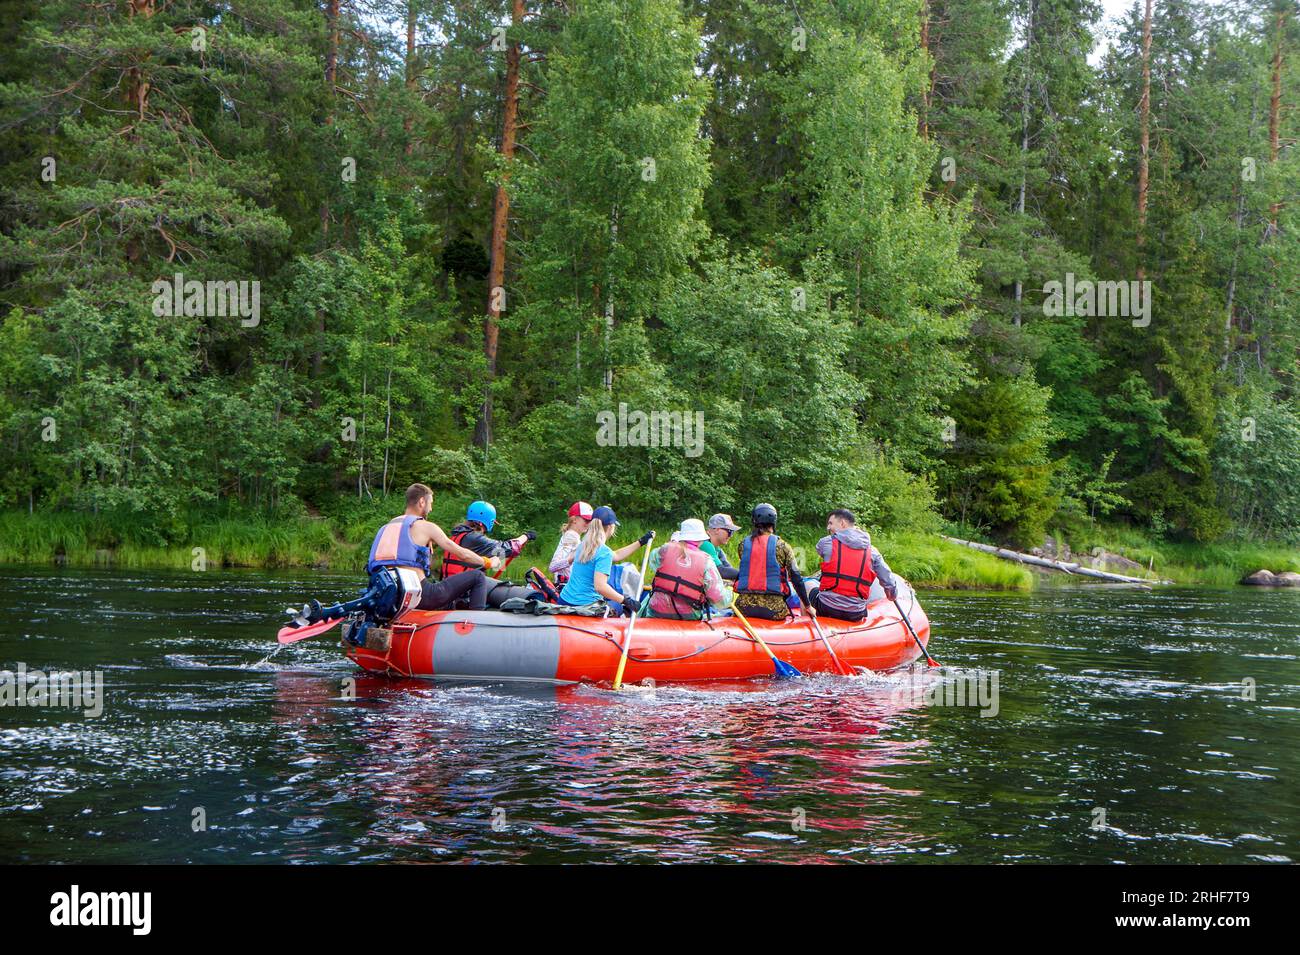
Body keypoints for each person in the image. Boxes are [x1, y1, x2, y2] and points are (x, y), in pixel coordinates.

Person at [367, 484, 499, 611]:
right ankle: (475, 624)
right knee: (477, 577)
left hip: (386, 594)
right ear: (422, 502)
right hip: (420, 596)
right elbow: (463, 554)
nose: (430, 509)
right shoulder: (427, 527)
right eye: (430, 503)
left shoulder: (386, 527)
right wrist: (488, 562)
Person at [556, 506, 653, 614]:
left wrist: (641, 542)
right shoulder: (603, 552)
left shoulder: (584, 544)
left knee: (613, 600)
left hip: (564, 600)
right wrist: (626, 600)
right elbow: (600, 587)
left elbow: (616, 555)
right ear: (611, 527)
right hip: (584, 606)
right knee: (619, 607)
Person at [441, 500, 537, 607]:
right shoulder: (474, 538)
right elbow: (508, 547)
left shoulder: (457, 535)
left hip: (450, 592)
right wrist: (526, 536)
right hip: (462, 595)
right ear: (485, 521)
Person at [809, 508, 898, 622]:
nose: (828, 527)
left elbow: (820, 549)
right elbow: (889, 581)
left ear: (842, 523)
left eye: (831, 523)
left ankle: (806, 627)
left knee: (807, 585)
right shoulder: (873, 551)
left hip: (827, 608)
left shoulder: (826, 543)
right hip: (856, 612)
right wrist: (892, 596)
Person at [733, 503, 811, 621]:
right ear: (774, 522)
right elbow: (796, 578)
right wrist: (808, 605)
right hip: (774, 610)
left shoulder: (743, 545)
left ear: (754, 521)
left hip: (744, 608)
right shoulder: (783, 546)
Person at [646, 519, 730, 620]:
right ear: (701, 539)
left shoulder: (664, 550)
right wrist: (730, 594)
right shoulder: (706, 561)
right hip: (687, 616)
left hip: (657, 610)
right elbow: (720, 601)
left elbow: (653, 562)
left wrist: (673, 543)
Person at [549, 501, 593, 587]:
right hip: (565, 587)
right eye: (586, 520)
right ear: (574, 520)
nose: (589, 524)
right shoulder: (571, 536)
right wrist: (573, 558)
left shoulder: (574, 536)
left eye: (590, 521)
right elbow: (553, 566)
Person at [699, 513, 741, 582]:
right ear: (717, 530)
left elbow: (728, 569)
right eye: (730, 531)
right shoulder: (705, 544)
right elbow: (721, 571)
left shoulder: (718, 550)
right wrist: (746, 575)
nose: (731, 536)